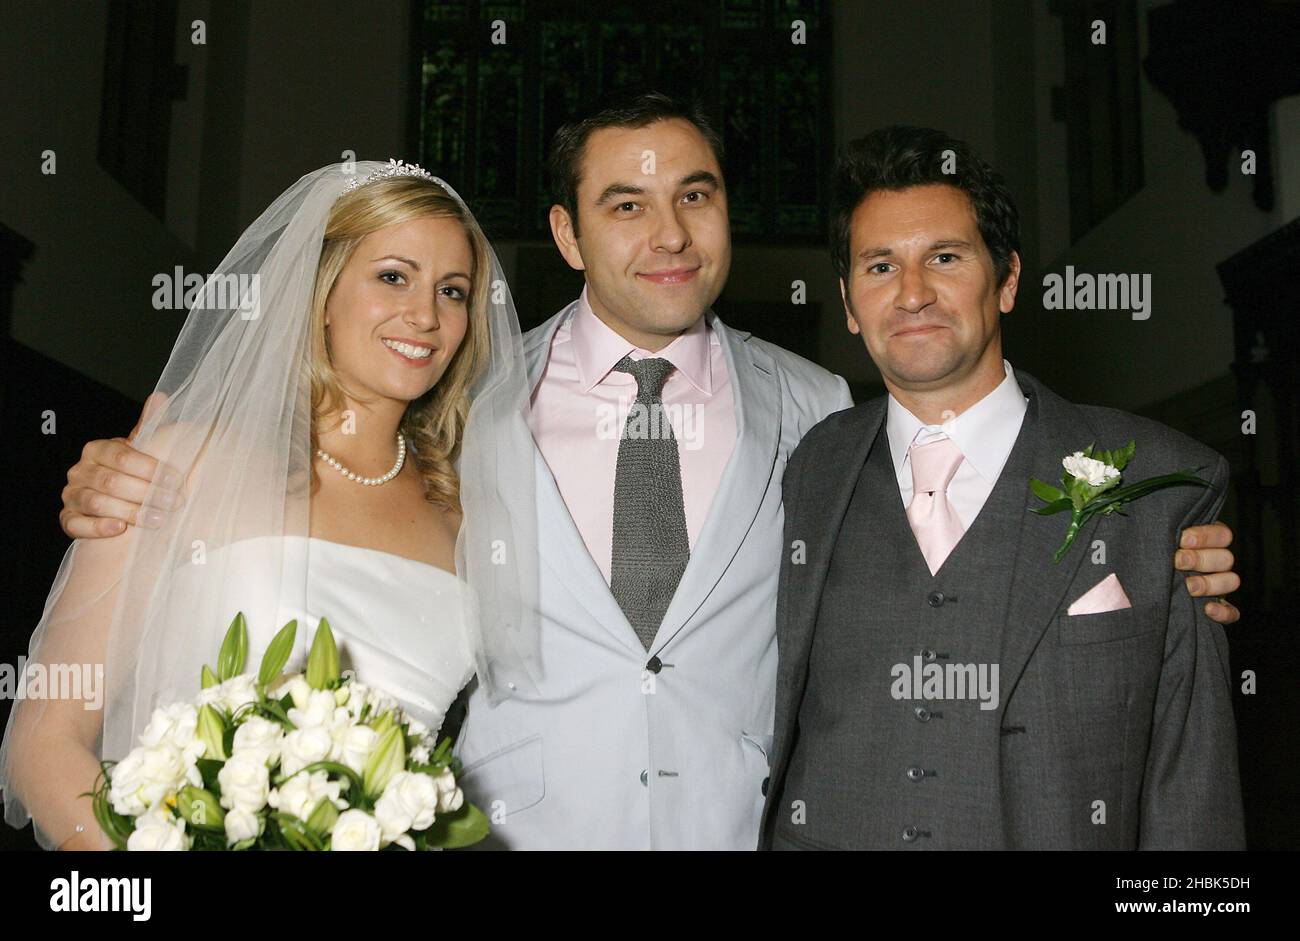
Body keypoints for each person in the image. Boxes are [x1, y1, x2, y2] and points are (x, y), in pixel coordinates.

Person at [53, 93, 1242, 851]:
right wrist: (132, 482)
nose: (666, 234)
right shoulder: (465, 404)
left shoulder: (820, 411)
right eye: (625, 203)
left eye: (695, 196)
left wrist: (1159, 553)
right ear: (568, 236)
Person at [0, 159, 539, 850]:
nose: (427, 315)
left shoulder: (467, 519)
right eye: (393, 276)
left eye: (454, 290)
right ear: (321, 289)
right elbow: (45, 741)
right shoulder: (182, 462)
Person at [759, 126, 1245, 850]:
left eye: (945, 257)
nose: (913, 293)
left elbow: (1191, 788)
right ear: (849, 301)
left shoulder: (1156, 487)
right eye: (881, 265)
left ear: (1008, 278)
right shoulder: (808, 470)